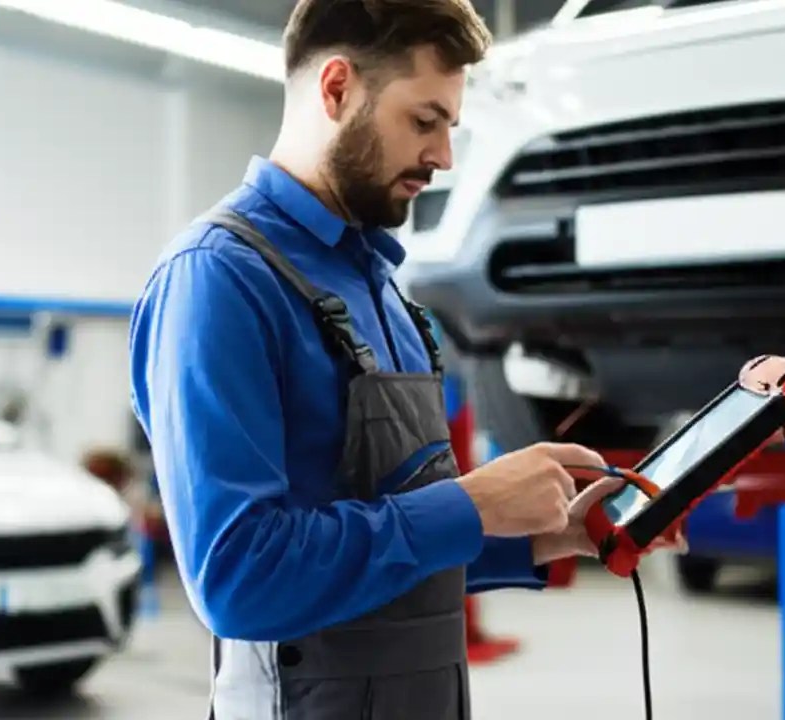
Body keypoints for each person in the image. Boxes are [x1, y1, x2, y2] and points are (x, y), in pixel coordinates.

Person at [129, 1, 661, 717]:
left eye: (449, 127)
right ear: (338, 88)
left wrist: (543, 534)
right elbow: (239, 579)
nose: (443, 157)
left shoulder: (382, 288)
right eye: (424, 120)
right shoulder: (221, 280)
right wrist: (473, 503)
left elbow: (397, 547)